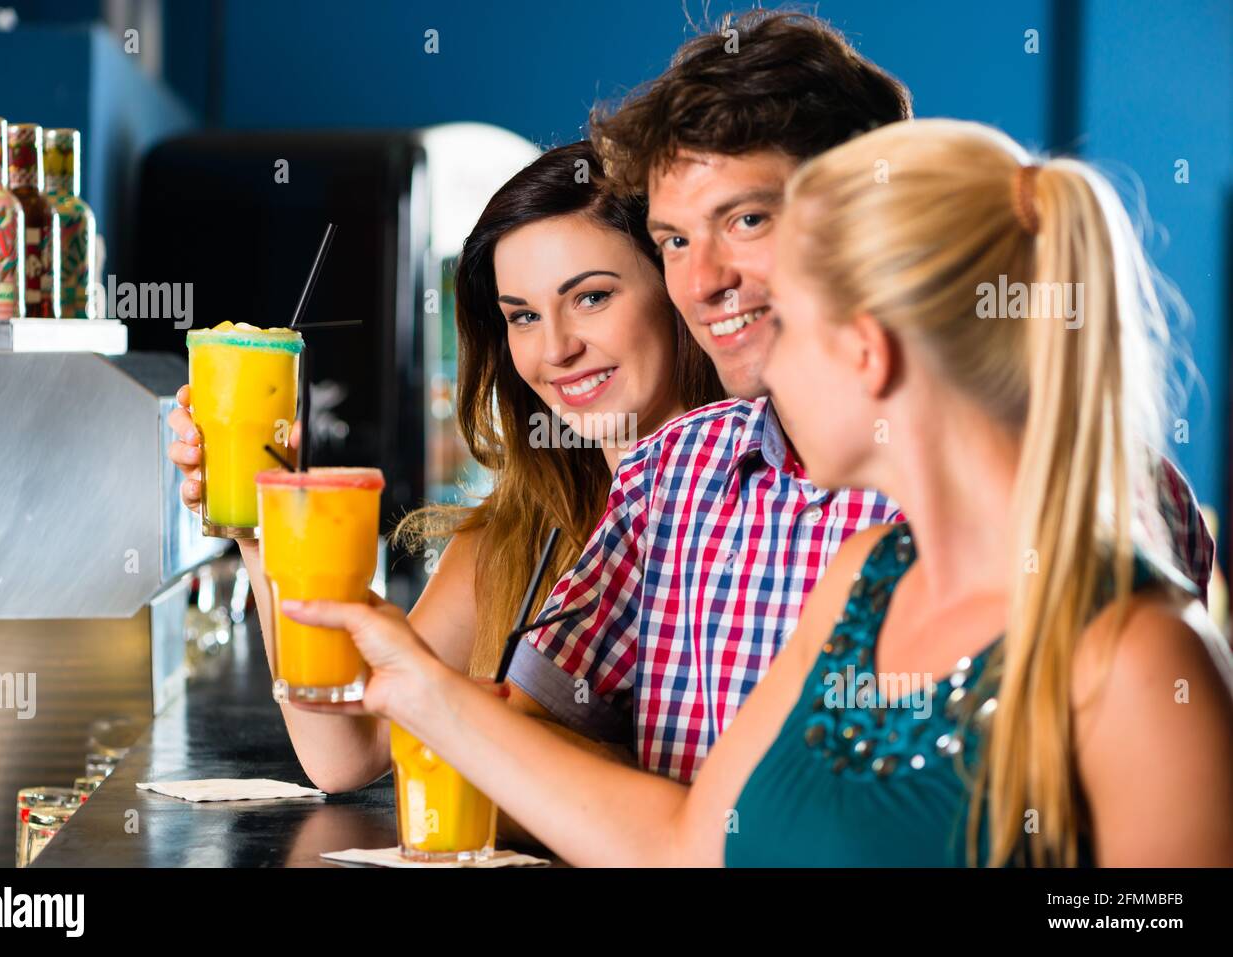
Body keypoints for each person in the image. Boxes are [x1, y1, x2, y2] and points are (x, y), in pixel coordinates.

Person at [282, 117, 1233, 867]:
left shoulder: (1140, 655)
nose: (747, 354)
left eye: (792, 331)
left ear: (869, 354)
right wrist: (418, 687)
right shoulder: (870, 577)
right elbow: (690, 844)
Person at [500, 10, 1213, 784]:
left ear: (869, 224)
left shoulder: (1088, 495)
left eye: (746, 219)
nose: (702, 282)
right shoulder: (671, 471)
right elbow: (534, 737)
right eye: (673, 240)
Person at [167, 141, 723, 791]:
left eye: (592, 297)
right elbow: (351, 752)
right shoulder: (512, 537)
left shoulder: (773, 511)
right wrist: (264, 523)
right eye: (523, 316)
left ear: (676, 287)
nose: (556, 348)